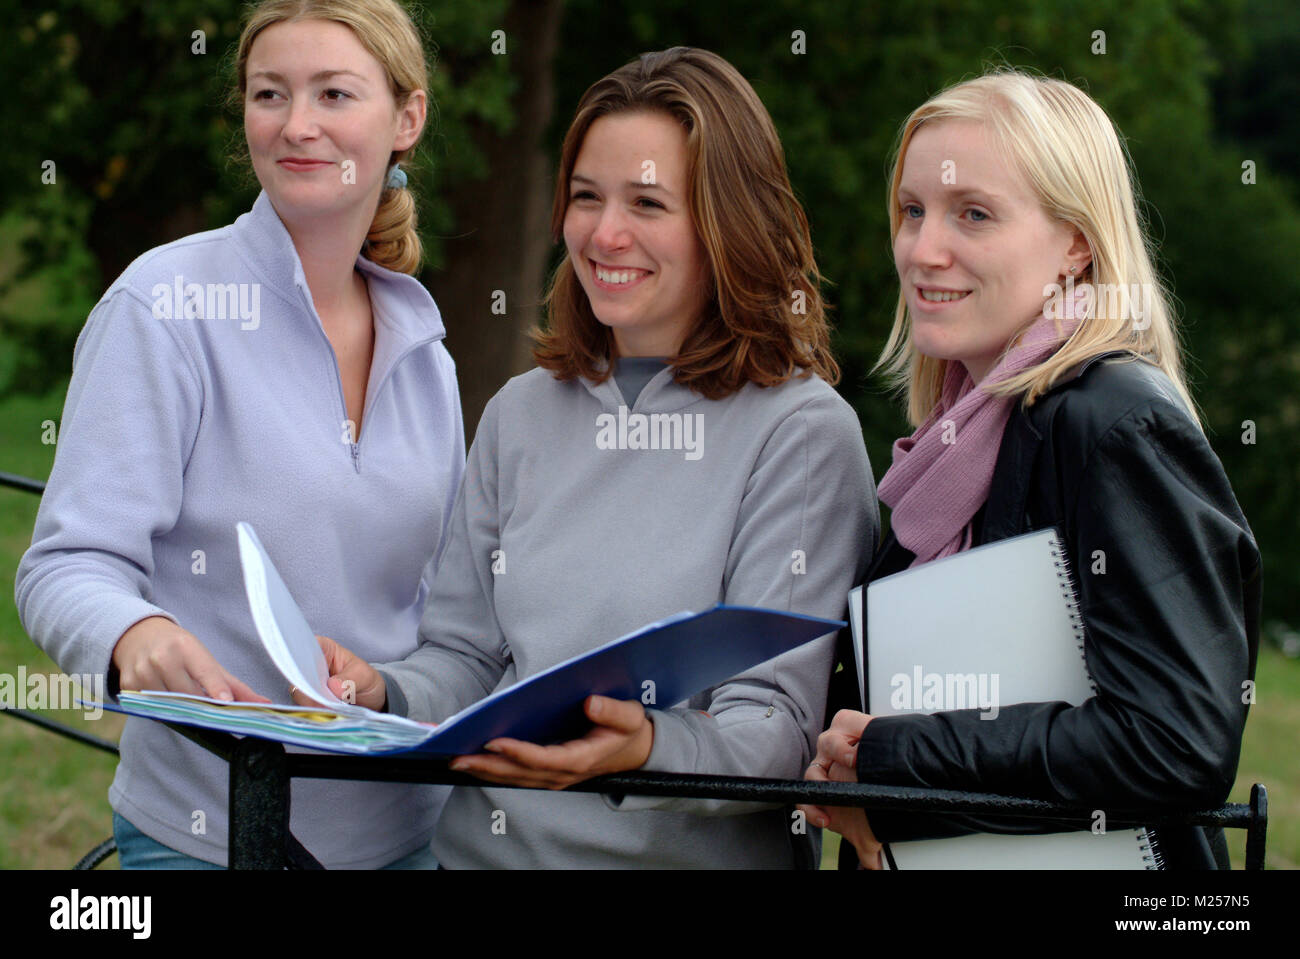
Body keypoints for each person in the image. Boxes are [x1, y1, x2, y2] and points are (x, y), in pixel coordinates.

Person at [305, 46, 877, 868]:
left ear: (727, 221)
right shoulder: (520, 413)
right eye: (585, 197)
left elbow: (778, 730)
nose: (605, 233)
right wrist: (379, 689)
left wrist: (642, 745)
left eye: (647, 202)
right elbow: (464, 659)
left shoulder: (802, 433)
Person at [15, 0, 465, 869]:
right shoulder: (163, 305)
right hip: (211, 834)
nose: (298, 125)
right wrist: (132, 633)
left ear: (407, 118)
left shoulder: (427, 349)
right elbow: (65, 565)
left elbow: (448, 615)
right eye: (270, 94)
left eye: (334, 94)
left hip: (413, 836)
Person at [801, 68, 1261, 870]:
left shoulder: (1114, 422)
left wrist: (893, 757)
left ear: (1076, 243)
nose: (922, 247)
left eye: (972, 214)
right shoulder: (960, 435)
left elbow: (1172, 742)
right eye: (912, 211)